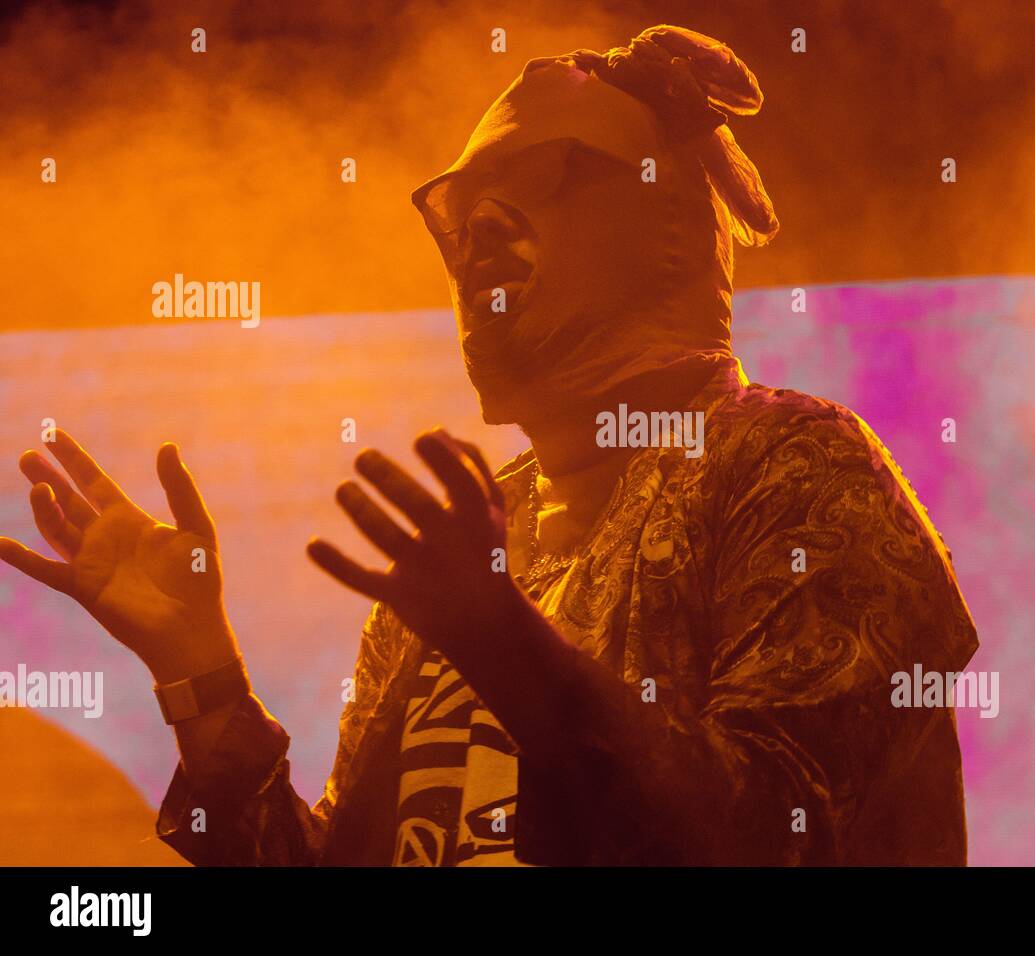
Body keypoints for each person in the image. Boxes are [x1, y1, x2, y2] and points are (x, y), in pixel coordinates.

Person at [0, 26, 978, 866]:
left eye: (540, 185)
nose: (478, 247)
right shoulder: (471, 537)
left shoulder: (795, 469)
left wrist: (502, 640)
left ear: (659, 219)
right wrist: (200, 672)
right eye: (460, 221)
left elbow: (770, 835)